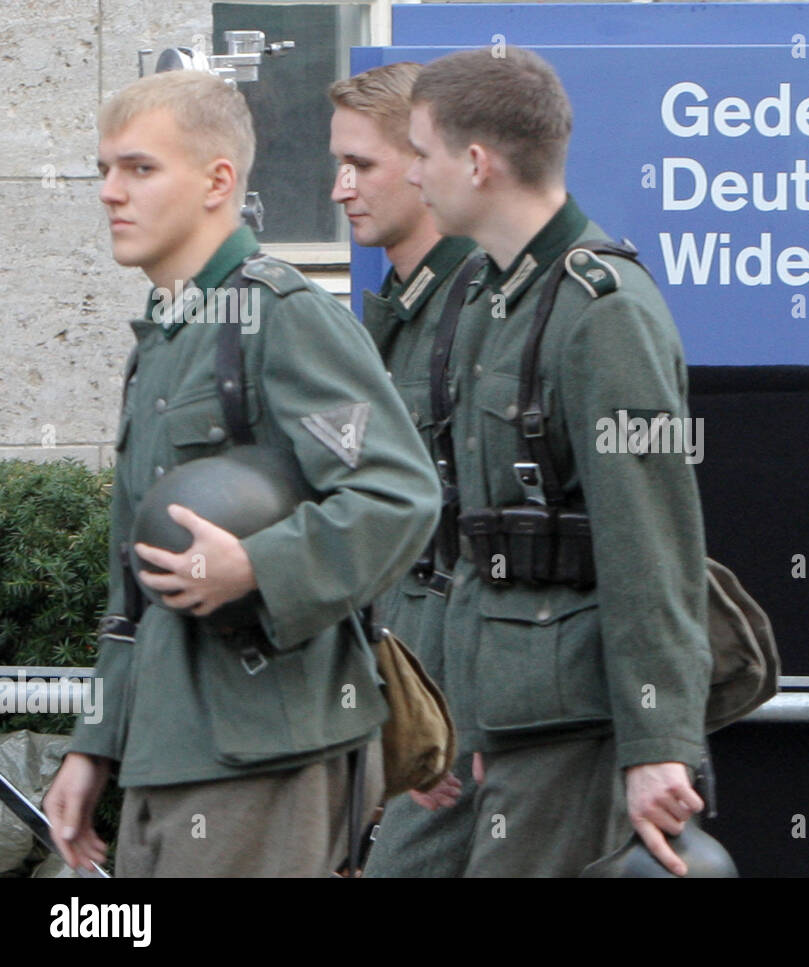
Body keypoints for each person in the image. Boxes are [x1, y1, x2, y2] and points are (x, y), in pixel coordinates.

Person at [43, 69, 440, 877]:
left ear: (219, 181)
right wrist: (94, 745)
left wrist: (255, 564)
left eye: (140, 169)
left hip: (266, 752)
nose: (111, 193)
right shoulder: (162, 342)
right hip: (170, 753)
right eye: (103, 171)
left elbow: (399, 493)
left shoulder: (280, 316)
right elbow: (132, 596)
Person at [405, 46, 712, 877]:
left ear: (477, 161)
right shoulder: (486, 297)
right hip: (511, 716)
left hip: (578, 726)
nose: (411, 174)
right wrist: (471, 716)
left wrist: (657, 743)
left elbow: (653, 543)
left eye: (421, 152)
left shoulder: (605, 315)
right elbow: (479, 539)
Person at [326, 61, 481, 877]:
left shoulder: (483, 312)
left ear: (423, 165)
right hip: (410, 691)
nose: (340, 189)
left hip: (460, 701)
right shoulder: (399, 312)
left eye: (362, 165)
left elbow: (481, 542)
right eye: (338, 164)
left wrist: (454, 719)